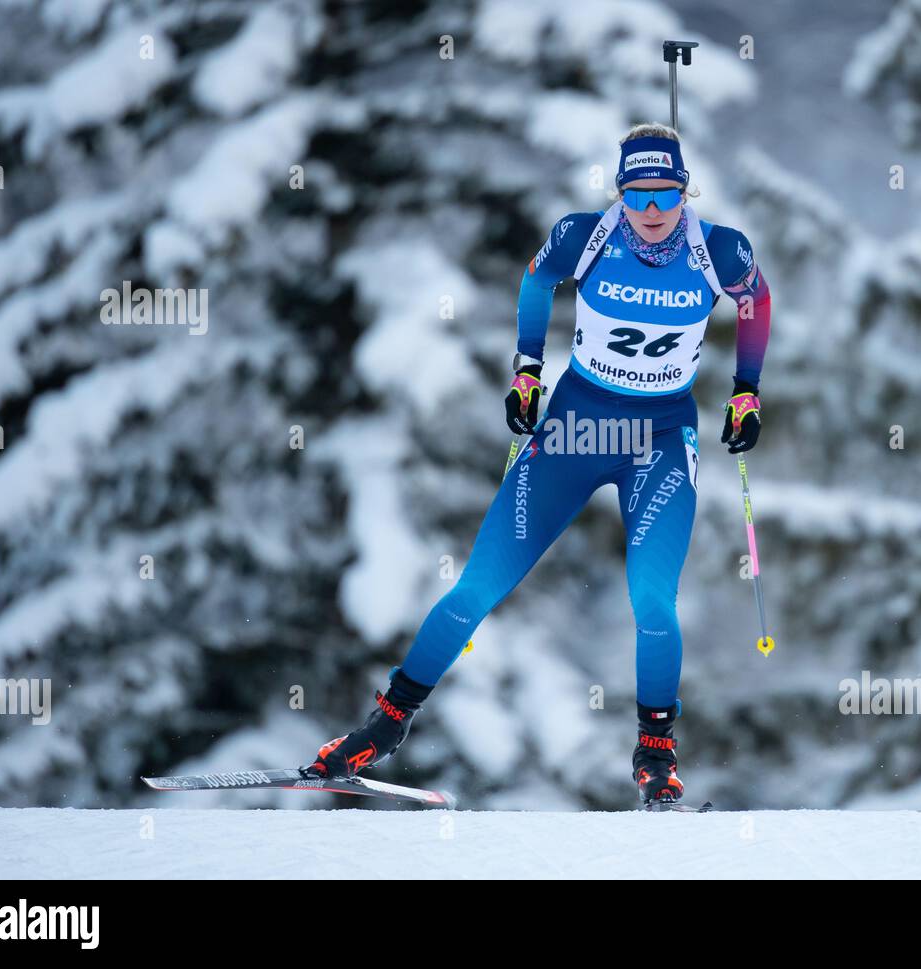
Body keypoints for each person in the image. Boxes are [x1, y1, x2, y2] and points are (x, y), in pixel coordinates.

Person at [308, 123, 772, 807]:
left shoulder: (719, 250)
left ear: (683, 191)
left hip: (661, 439)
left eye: (664, 194)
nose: (650, 210)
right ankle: (381, 727)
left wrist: (746, 392)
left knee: (652, 601)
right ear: (620, 192)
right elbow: (536, 279)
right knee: (474, 591)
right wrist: (526, 372)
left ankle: (656, 757)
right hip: (574, 429)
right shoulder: (585, 236)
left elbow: (755, 302)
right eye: (637, 194)